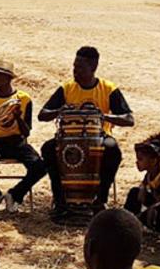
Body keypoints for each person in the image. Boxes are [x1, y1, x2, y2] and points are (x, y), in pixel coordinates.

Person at [37, 46, 135, 216]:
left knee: (112, 151)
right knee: (48, 149)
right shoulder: (67, 88)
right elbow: (42, 115)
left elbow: (129, 119)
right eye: (74, 67)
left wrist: (103, 116)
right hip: (68, 136)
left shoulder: (108, 88)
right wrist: (59, 111)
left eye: (80, 67)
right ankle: (60, 202)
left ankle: (100, 200)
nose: (75, 71)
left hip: (99, 136)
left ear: (93, 67)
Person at [0, 61, 45, 214]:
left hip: (17, 142)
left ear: (7, 78)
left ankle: (16, 194)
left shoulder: (24, 99)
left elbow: (26, 132)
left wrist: (18, 118)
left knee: (40, 167)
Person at [122, 133, 160, 217]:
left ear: (153, 161)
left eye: (140, 159)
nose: (137, 162)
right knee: (135, 192)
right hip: (152, 204)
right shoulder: (149, 175)